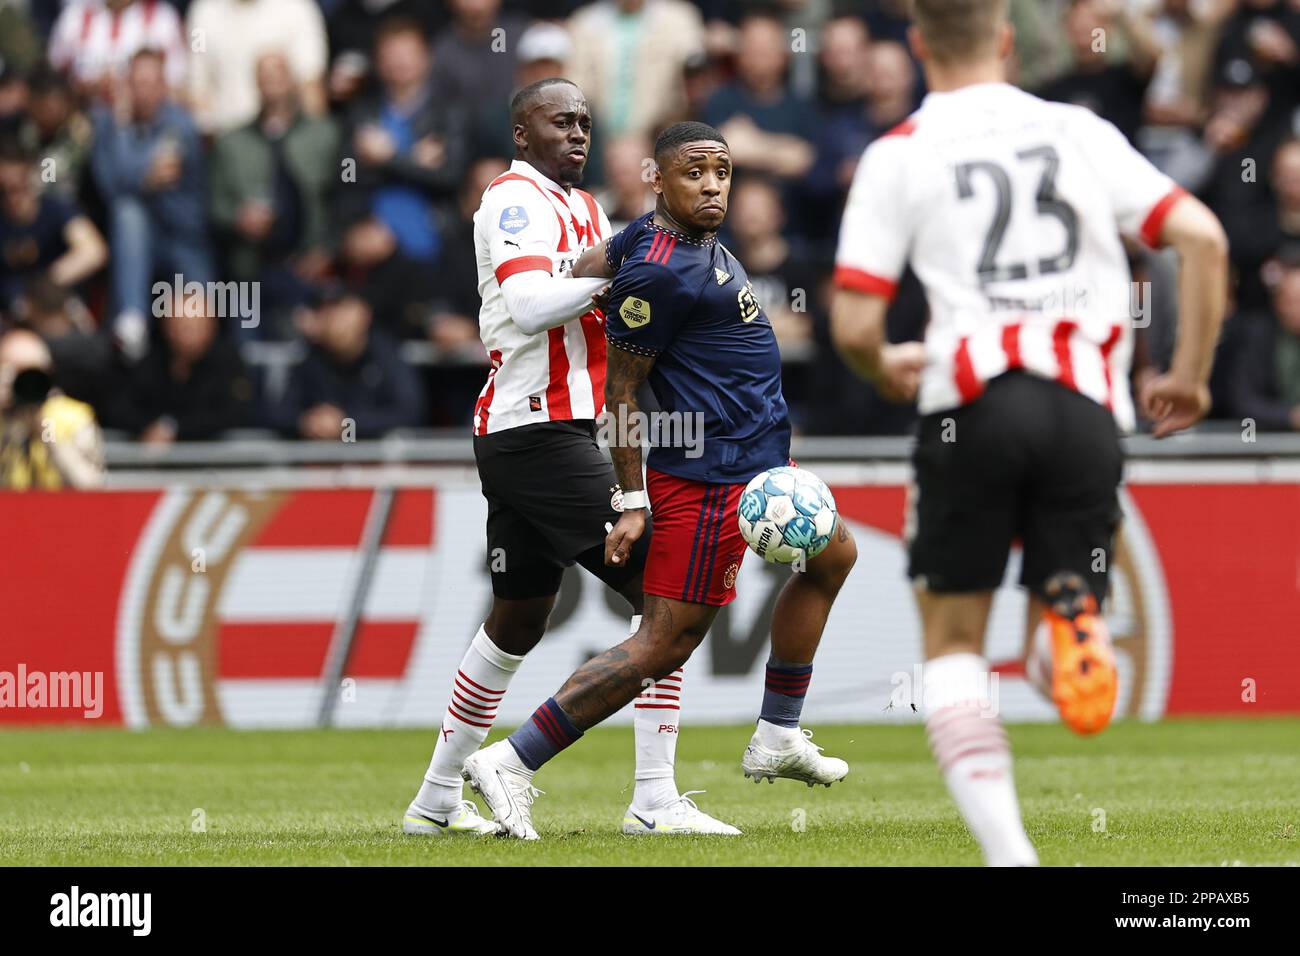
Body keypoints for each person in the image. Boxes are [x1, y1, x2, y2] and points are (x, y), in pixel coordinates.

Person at [829, 0, 1228, 866]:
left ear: (916, 44)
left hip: (972, 410)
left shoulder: (899, 153)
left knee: (953, 644)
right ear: (1008, 41)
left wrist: (881, 364)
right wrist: (1189, 375)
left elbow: (855, 322)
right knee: (1064, 583)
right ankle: (1067, 618)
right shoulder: (1077, 128)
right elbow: (1202, 237)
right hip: (1086, 409)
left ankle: (1013, 856)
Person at [461, 121, 858, 841]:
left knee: (834, 556)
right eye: (694, 173)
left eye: (722, 173)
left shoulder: (648, 239)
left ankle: (777, 733)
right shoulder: (659, 271)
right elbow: (620, 395)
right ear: (658, 178)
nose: (712, 187)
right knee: (661, 643)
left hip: (760, 462)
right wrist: (633, 499)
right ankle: (512, 761)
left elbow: (584, 265)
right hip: (710, 476)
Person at [401, 80, 739, 839]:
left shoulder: (586, 211)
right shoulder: (513, 199)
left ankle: (434, 800)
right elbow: (525, 306)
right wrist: (612, 274)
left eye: (586, 122)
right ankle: (652, 798)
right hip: (539, 428)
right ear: (523, 134)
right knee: (666, 593)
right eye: (562, 122)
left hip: (541, 431)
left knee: (517, 620)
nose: (579, 135)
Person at [91, 49, 212, 358]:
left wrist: (133, 173)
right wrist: (122, 131)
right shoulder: (107, 123)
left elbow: (163, 171)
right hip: (133, 240)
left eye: (151, 82)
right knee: (128, 211)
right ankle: (133, 323)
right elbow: (107, 186)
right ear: (126, 85)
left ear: (164, 86)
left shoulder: (180, 123)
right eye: (136, 81)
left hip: (184, 234)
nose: (143, 89)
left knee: (200, 316)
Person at [0, 138, 106, 314]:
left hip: (58, 309)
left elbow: (94, 252)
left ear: (30, 176)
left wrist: (43, 286)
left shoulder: (55, 209)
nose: (12, 197)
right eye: (2, 190)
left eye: (18, 186)